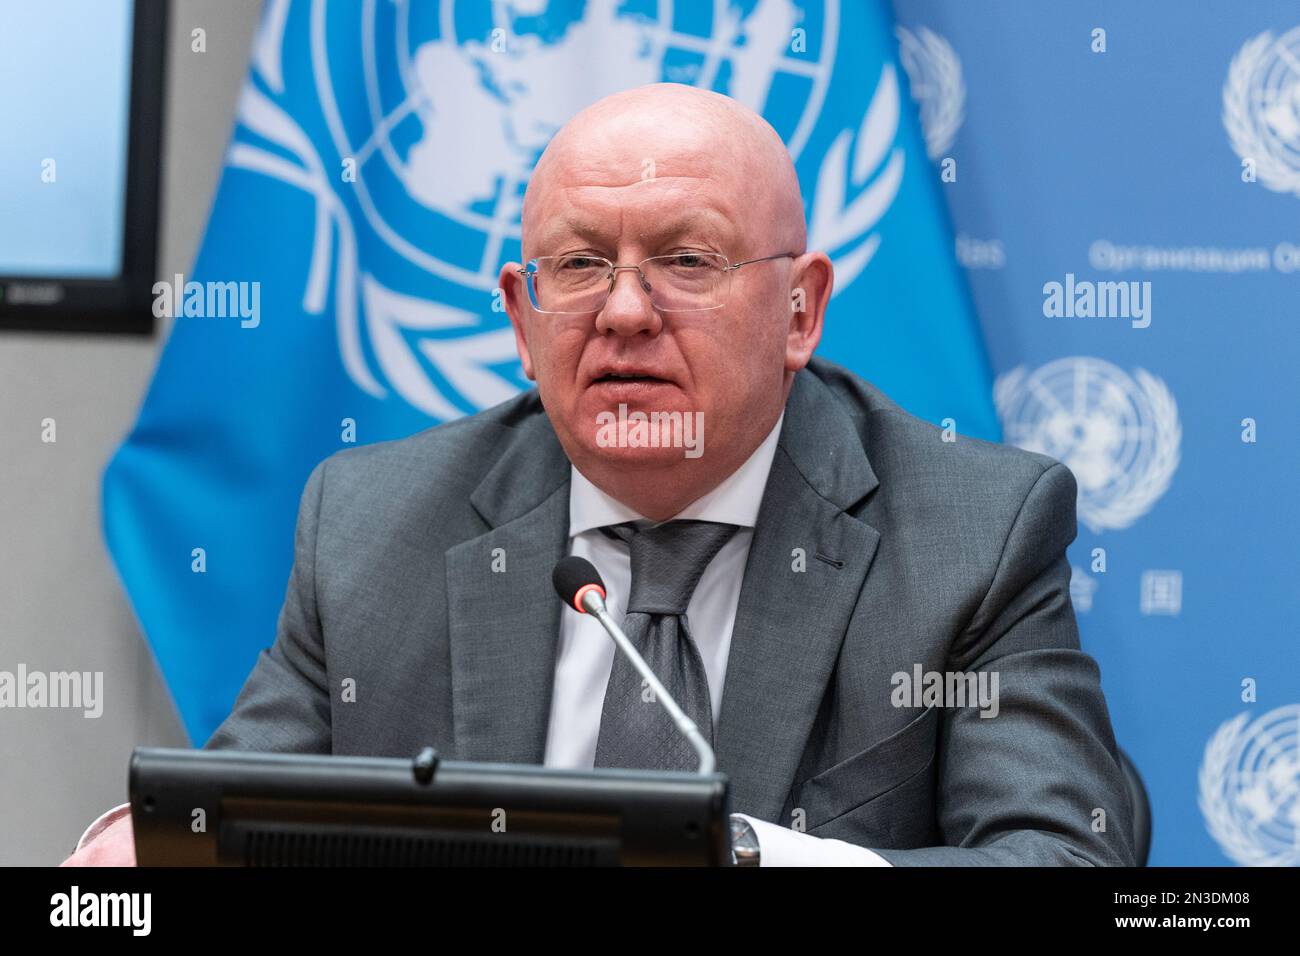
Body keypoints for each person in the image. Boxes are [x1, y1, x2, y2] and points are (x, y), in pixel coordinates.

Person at [64, 82, 1133, 867]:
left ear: (799, 310)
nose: (625, 311)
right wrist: (143, 849)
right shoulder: (371, 523)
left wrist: (748, 859)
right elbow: (240, 818)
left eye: (687, 260)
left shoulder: (971, 532)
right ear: (524, 323)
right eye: (579, 266)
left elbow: (1062, 858)